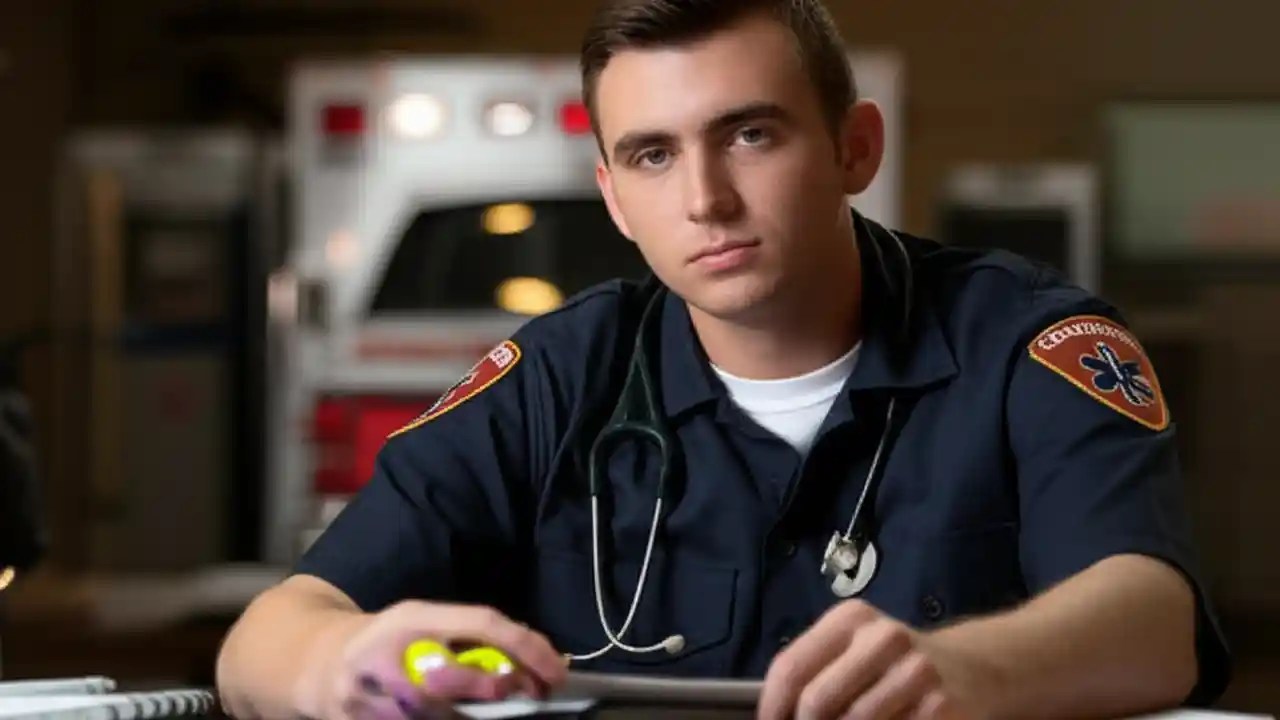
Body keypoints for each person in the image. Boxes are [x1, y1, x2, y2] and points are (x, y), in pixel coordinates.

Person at [216, 1, 1231, 718]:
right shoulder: (558, 377)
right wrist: (340, 661)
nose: (703, 198)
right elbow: (264, 639)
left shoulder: (1023, 343)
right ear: (614, 196)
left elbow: (1150, 622)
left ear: (853, 149)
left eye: (748, 135)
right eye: (653, 155)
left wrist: (965, 671)